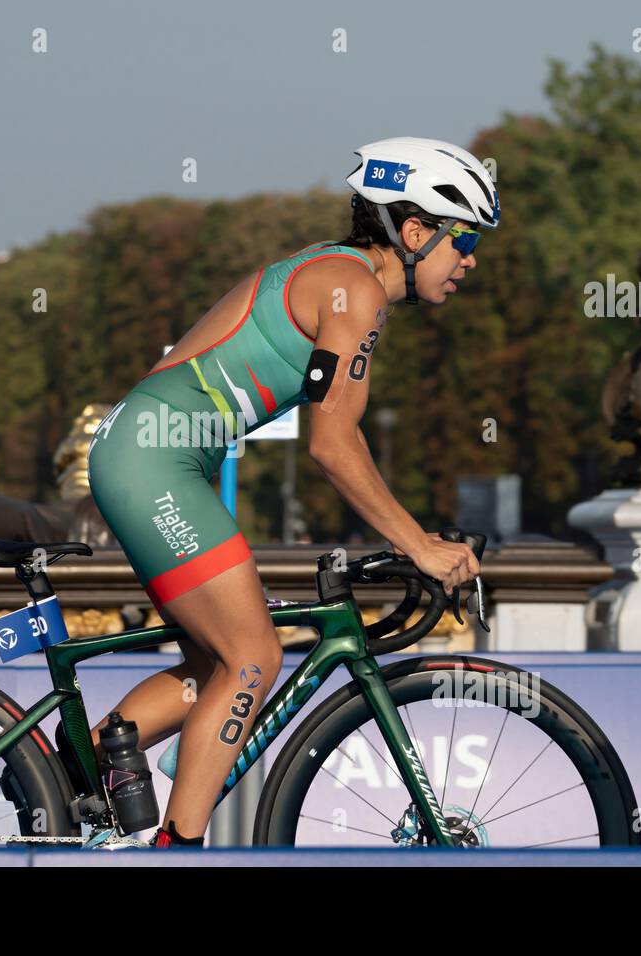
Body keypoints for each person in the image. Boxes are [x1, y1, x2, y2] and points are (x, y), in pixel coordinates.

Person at [84, 137, 498, 847]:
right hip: (156, 464)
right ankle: (177, 851)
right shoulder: (356, 291)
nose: (471, 260)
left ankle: (77, 763)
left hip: (149, 456)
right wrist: (420, 546)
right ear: (415, 231)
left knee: (217, 665)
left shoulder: (338, 273)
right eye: (463, 240)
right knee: (255, 657)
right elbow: (333, 445)